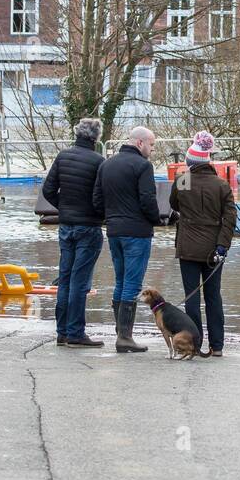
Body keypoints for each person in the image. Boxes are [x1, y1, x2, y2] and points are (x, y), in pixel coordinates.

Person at [93, 125, 161, 352]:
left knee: (121, 281)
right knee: (132, 284)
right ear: (140, 143)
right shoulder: (143, 166)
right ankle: (124, 337)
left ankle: (121, 333)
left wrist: (110, 218)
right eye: (151, 145)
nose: (151, 150)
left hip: (114, 231)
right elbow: (148, 199)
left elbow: (97, 200)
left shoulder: (106, 164)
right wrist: (157, 220)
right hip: (137, 233)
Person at [169, 131, 236, 357]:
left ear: (190, 161)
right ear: (209, 161)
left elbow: (174, 204)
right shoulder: (221, 184)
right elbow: (230, 218)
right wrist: (222, 246)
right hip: (213, 250)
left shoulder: (183, 180)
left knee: (192, 297)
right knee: (213, 297)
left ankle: (195, 344)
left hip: (187, 248)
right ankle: (217, 346)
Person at [42, 118, 106, 347]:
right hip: (88, 227)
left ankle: (62, 332)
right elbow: (101, 197)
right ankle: (76, 333)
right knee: (80, 281)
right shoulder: (99, 161)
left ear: (77, 133)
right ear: (96, 137)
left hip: (66, 226)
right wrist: (97, 214)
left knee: (66, 279)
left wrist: (65, 208)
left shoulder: (63, 156)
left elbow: (48, 190)